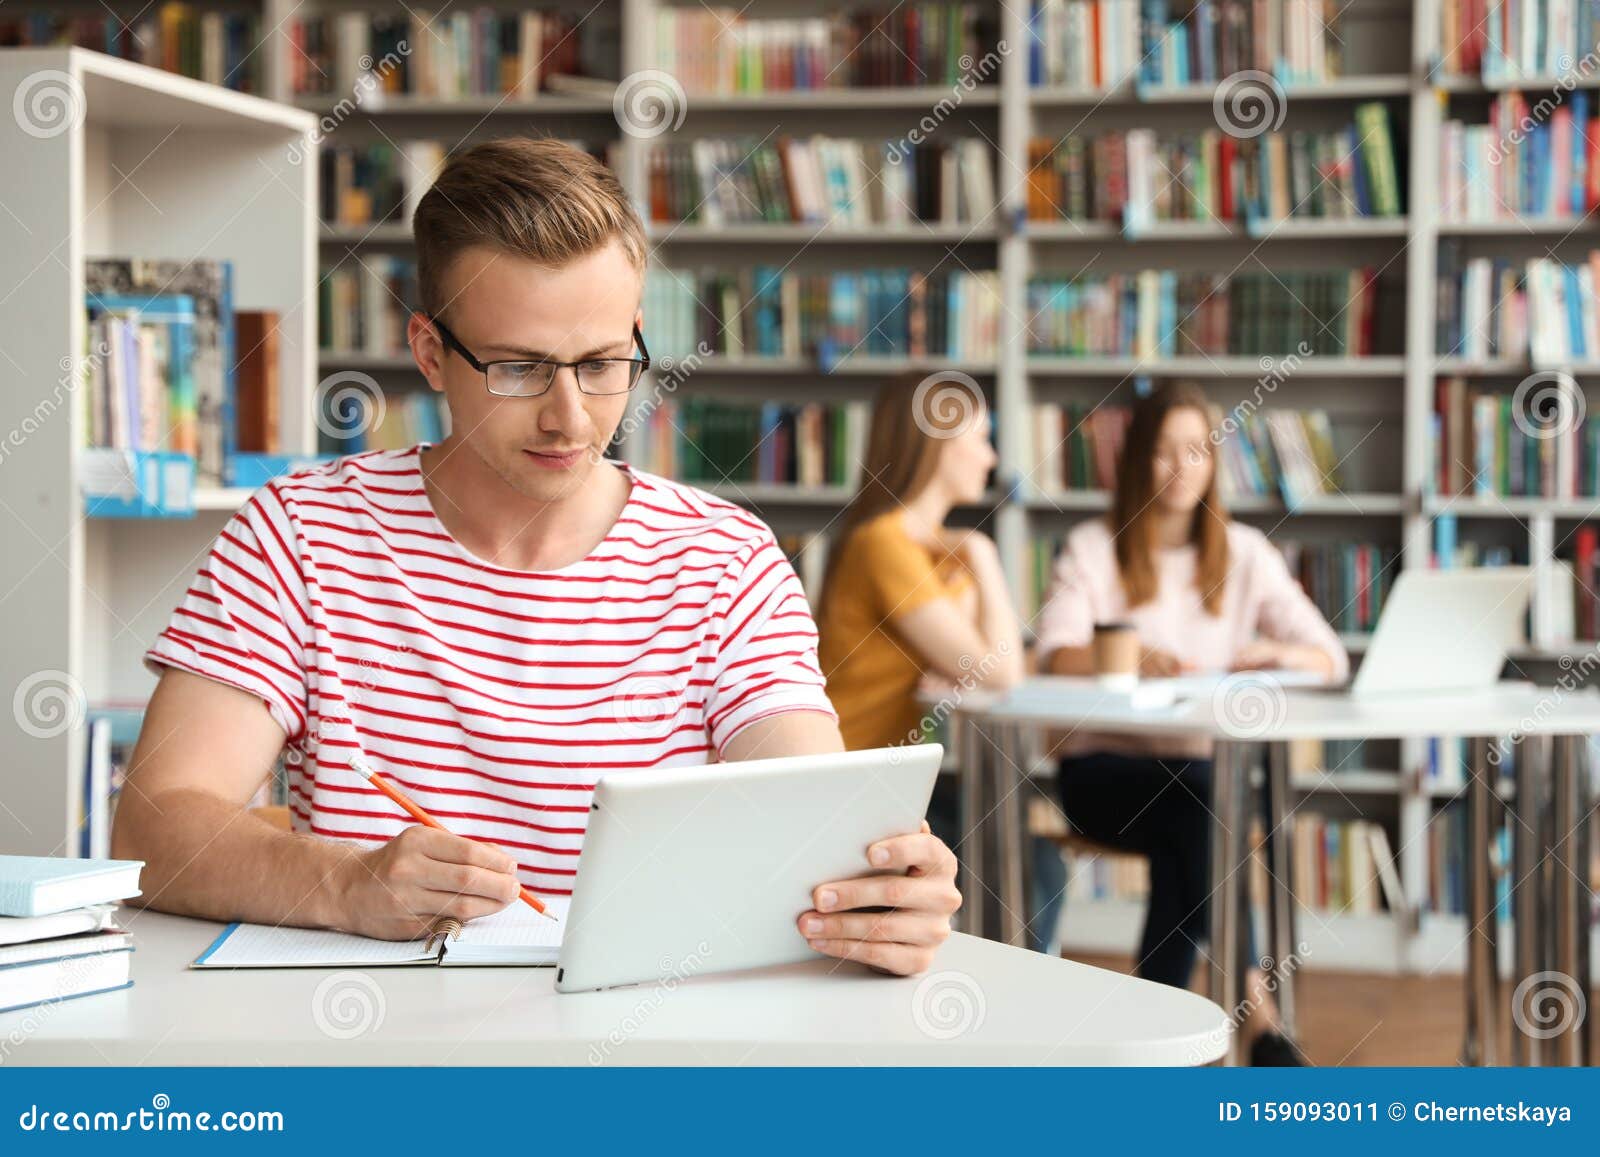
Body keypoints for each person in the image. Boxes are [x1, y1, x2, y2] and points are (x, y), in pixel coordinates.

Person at [111, 138, 961, 978]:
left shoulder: (726, 562)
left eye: (601, 364)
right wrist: (343, 882)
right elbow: (152, 830)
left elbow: (806, 816)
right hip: (371, 1048)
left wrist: (880, 893)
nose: (571, 418)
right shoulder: (298, 534)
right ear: (430, 351)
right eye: (519, 369)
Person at [1033, 381, 1348, 1065]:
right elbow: (1052, 654)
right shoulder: (1094, 547)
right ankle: (1255, 1019)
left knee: (1196, 825)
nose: (1181, 466)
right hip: (1103, 772)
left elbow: (1330, 656)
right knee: (1205, 818)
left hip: (1201, 780)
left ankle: (1155, 1043)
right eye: (1164, 451)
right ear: (1138, 459)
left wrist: (1278, 652)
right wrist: (1125, 656)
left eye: (1196, 450)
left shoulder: (1244, 553)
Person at [816, 373, 1024, 847]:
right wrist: (984, 554)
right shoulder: (886, 544)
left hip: (884, 777)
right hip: (849, 783)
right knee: (1019, 855)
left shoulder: (926, 552)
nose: (991, 459)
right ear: (939, 443)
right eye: (982, 439)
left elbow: (981, 662)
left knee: (1024, 852)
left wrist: (959, 665)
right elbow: (1002, 670)